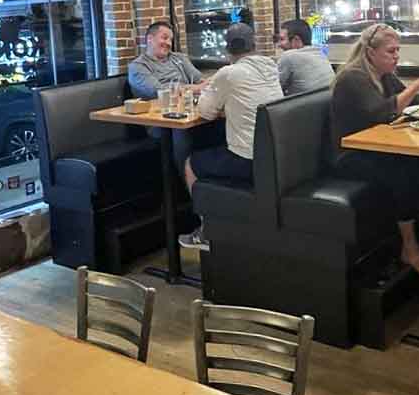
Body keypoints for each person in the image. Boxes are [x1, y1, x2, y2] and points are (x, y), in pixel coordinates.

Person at [331, 23, 419, 280]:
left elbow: (407, 101)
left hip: (377, 150)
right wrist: (418, 84)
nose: (396, 56)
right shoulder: (353, 78)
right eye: (391, 51)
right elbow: (383, 111)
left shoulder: (384, 74)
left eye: (398, 50)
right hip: (350, 156)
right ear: (370, 52)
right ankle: (409, 249)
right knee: (404, 173)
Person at [128, 21, 218, 247]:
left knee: (218, 132)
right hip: (160, 126)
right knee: (183, 141)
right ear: (149, 39)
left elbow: (202, 82)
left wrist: (188, 89)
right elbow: (160, 93)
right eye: (163, 38)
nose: (168, 43)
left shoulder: (179, 59)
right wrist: (190, 89)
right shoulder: (139, 67)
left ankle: (220, 212)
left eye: (170, 38)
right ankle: (203, 217)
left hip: (188, 117)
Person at [185, 22, 283, 193]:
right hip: (275, 153)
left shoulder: (229, 73)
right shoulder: (271, 67)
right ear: (254, 45)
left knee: (191, 163)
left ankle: (203, 217)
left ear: (228, 48)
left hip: (248, 159)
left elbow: (206, 112)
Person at [277, 18, 335, 95]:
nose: (279, 44)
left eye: (282, 39)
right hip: (326, 104)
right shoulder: (320, 53)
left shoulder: (289, 56)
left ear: (296, 40)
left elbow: (275, 86)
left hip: (305, 105)